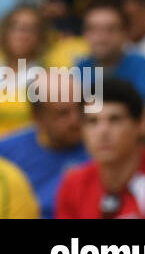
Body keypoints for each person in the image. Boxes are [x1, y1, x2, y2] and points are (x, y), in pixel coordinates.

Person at [55, 78, 145, 219]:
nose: (103, 132)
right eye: (92, 122)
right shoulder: (73, 186)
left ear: (142, 124)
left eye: (114, 119)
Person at [0, 75, 90, 218]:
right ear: (38, 117)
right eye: (63, 113)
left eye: (80, 108)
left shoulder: (101, 148)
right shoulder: (5, 153)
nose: (76, 119)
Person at [75, 3, 145, 101]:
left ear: (125, 33)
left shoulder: (139, 65)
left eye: (110, 29)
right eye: (93, 29)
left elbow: (144, 106)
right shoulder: (80, 68)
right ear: (84, 34)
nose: (101, 37)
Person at [0, 6, 46, 136]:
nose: (22, 35)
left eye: (31, 29)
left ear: (40, 37)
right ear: (5, 32)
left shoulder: (46, 80)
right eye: (16, 27)